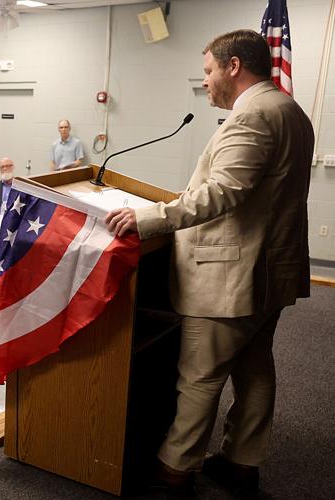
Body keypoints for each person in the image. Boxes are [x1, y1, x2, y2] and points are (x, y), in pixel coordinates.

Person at [104, 30, 314, 496]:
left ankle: (173, 471)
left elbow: (224, 192)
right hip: (269, 270)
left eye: (208, 71)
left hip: (231, 274)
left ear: (233, 66)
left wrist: (149, 218)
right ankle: (241, 463)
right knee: (255, 367)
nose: (206, 81)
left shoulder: (254, 116)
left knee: (199, 377)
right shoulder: (291, 111)